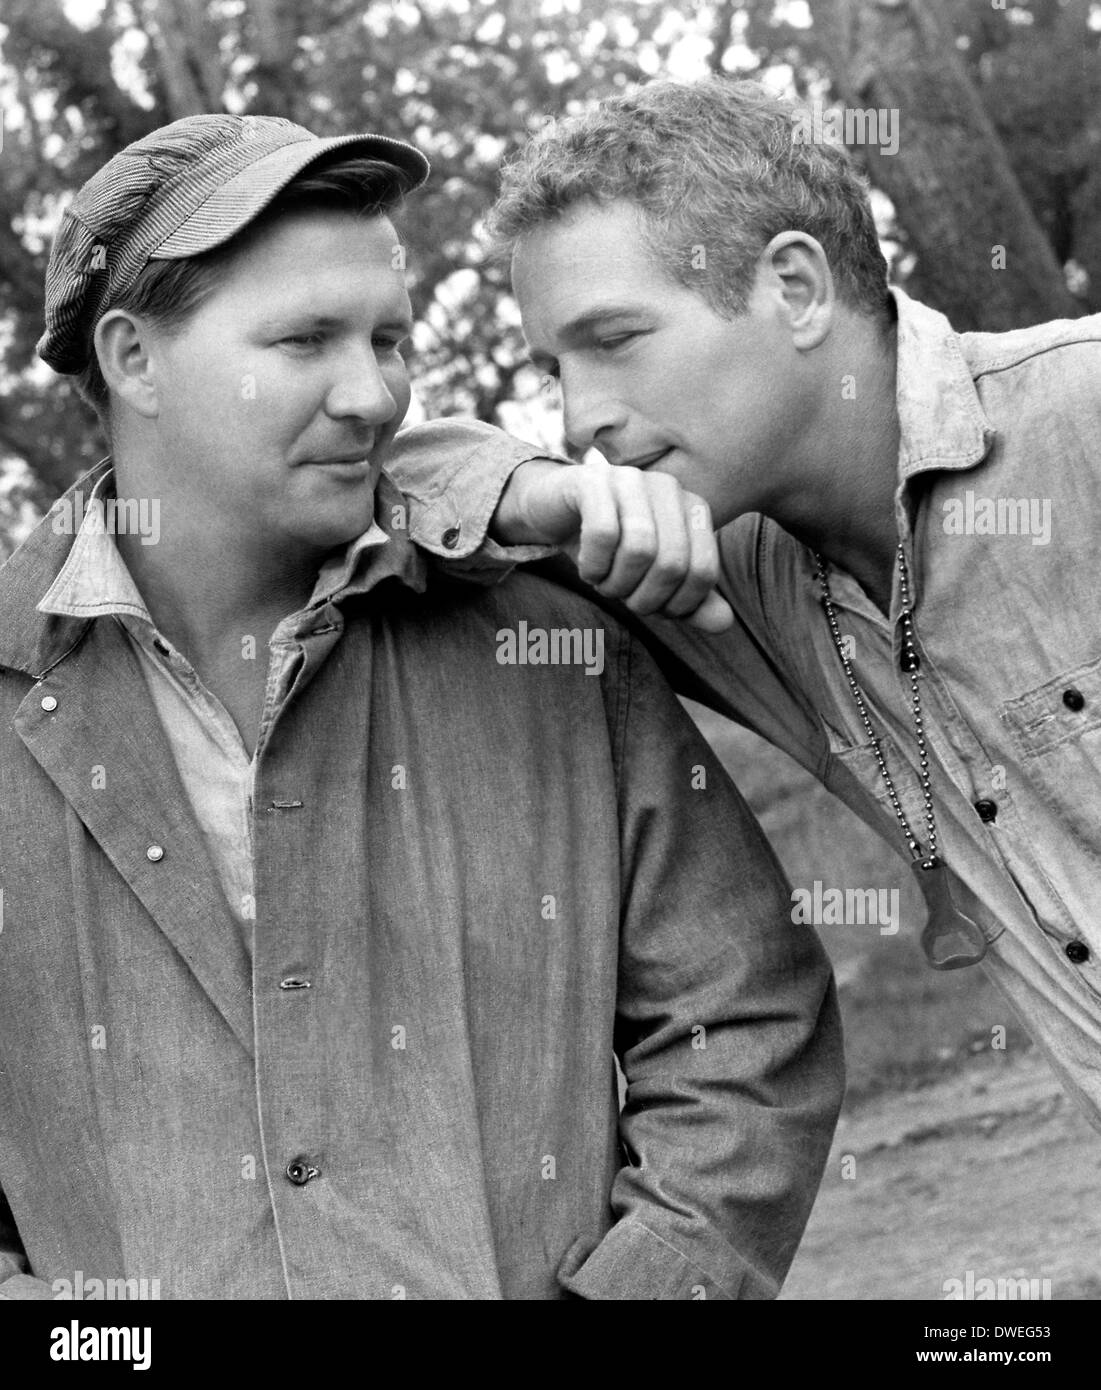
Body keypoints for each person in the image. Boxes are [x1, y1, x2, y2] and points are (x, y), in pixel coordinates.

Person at [0, 112, 842, 1300]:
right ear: (134, 359)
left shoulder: (549, 642)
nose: (373, 394)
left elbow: (746, 1026)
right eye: (305, 341)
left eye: (391, 339)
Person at [385, 76, 1101, 1126]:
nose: (583, 415)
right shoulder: (712, 571)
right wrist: (546, 490)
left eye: (617, 339)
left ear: (798, 289)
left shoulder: (1081, 420)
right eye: (555, 367)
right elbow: (391, 481)